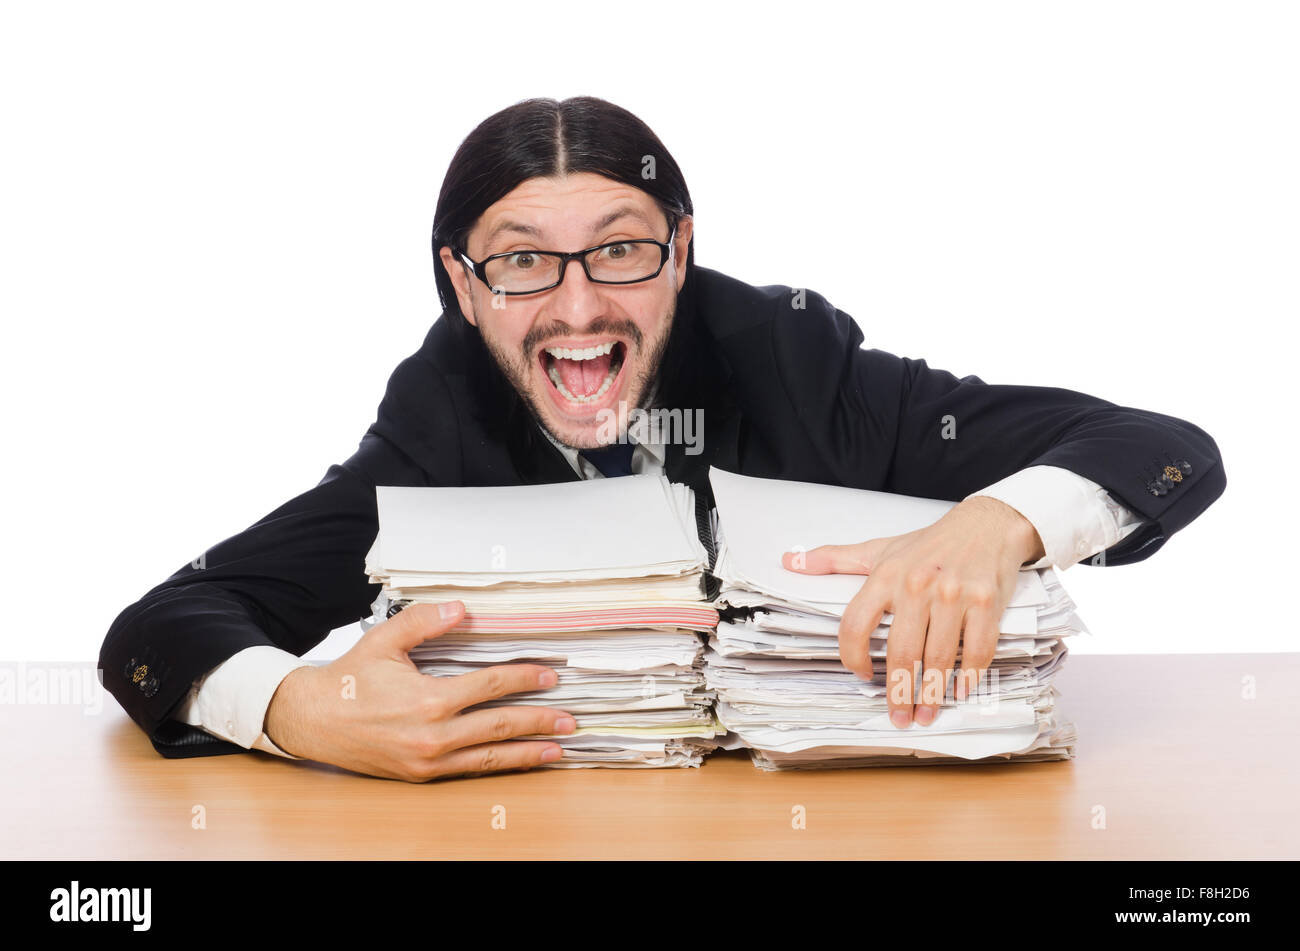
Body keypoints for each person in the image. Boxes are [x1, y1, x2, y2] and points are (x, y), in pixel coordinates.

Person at [99, 96, 1225, 782]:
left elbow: (1164, 448)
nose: (578, 306)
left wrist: (998, 521)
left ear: (679, 253)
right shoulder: (441, 421)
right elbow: (159, 628)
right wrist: (298, 710)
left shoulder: (794, 362)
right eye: (522, 259)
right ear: (462, 284)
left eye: (622, 250)